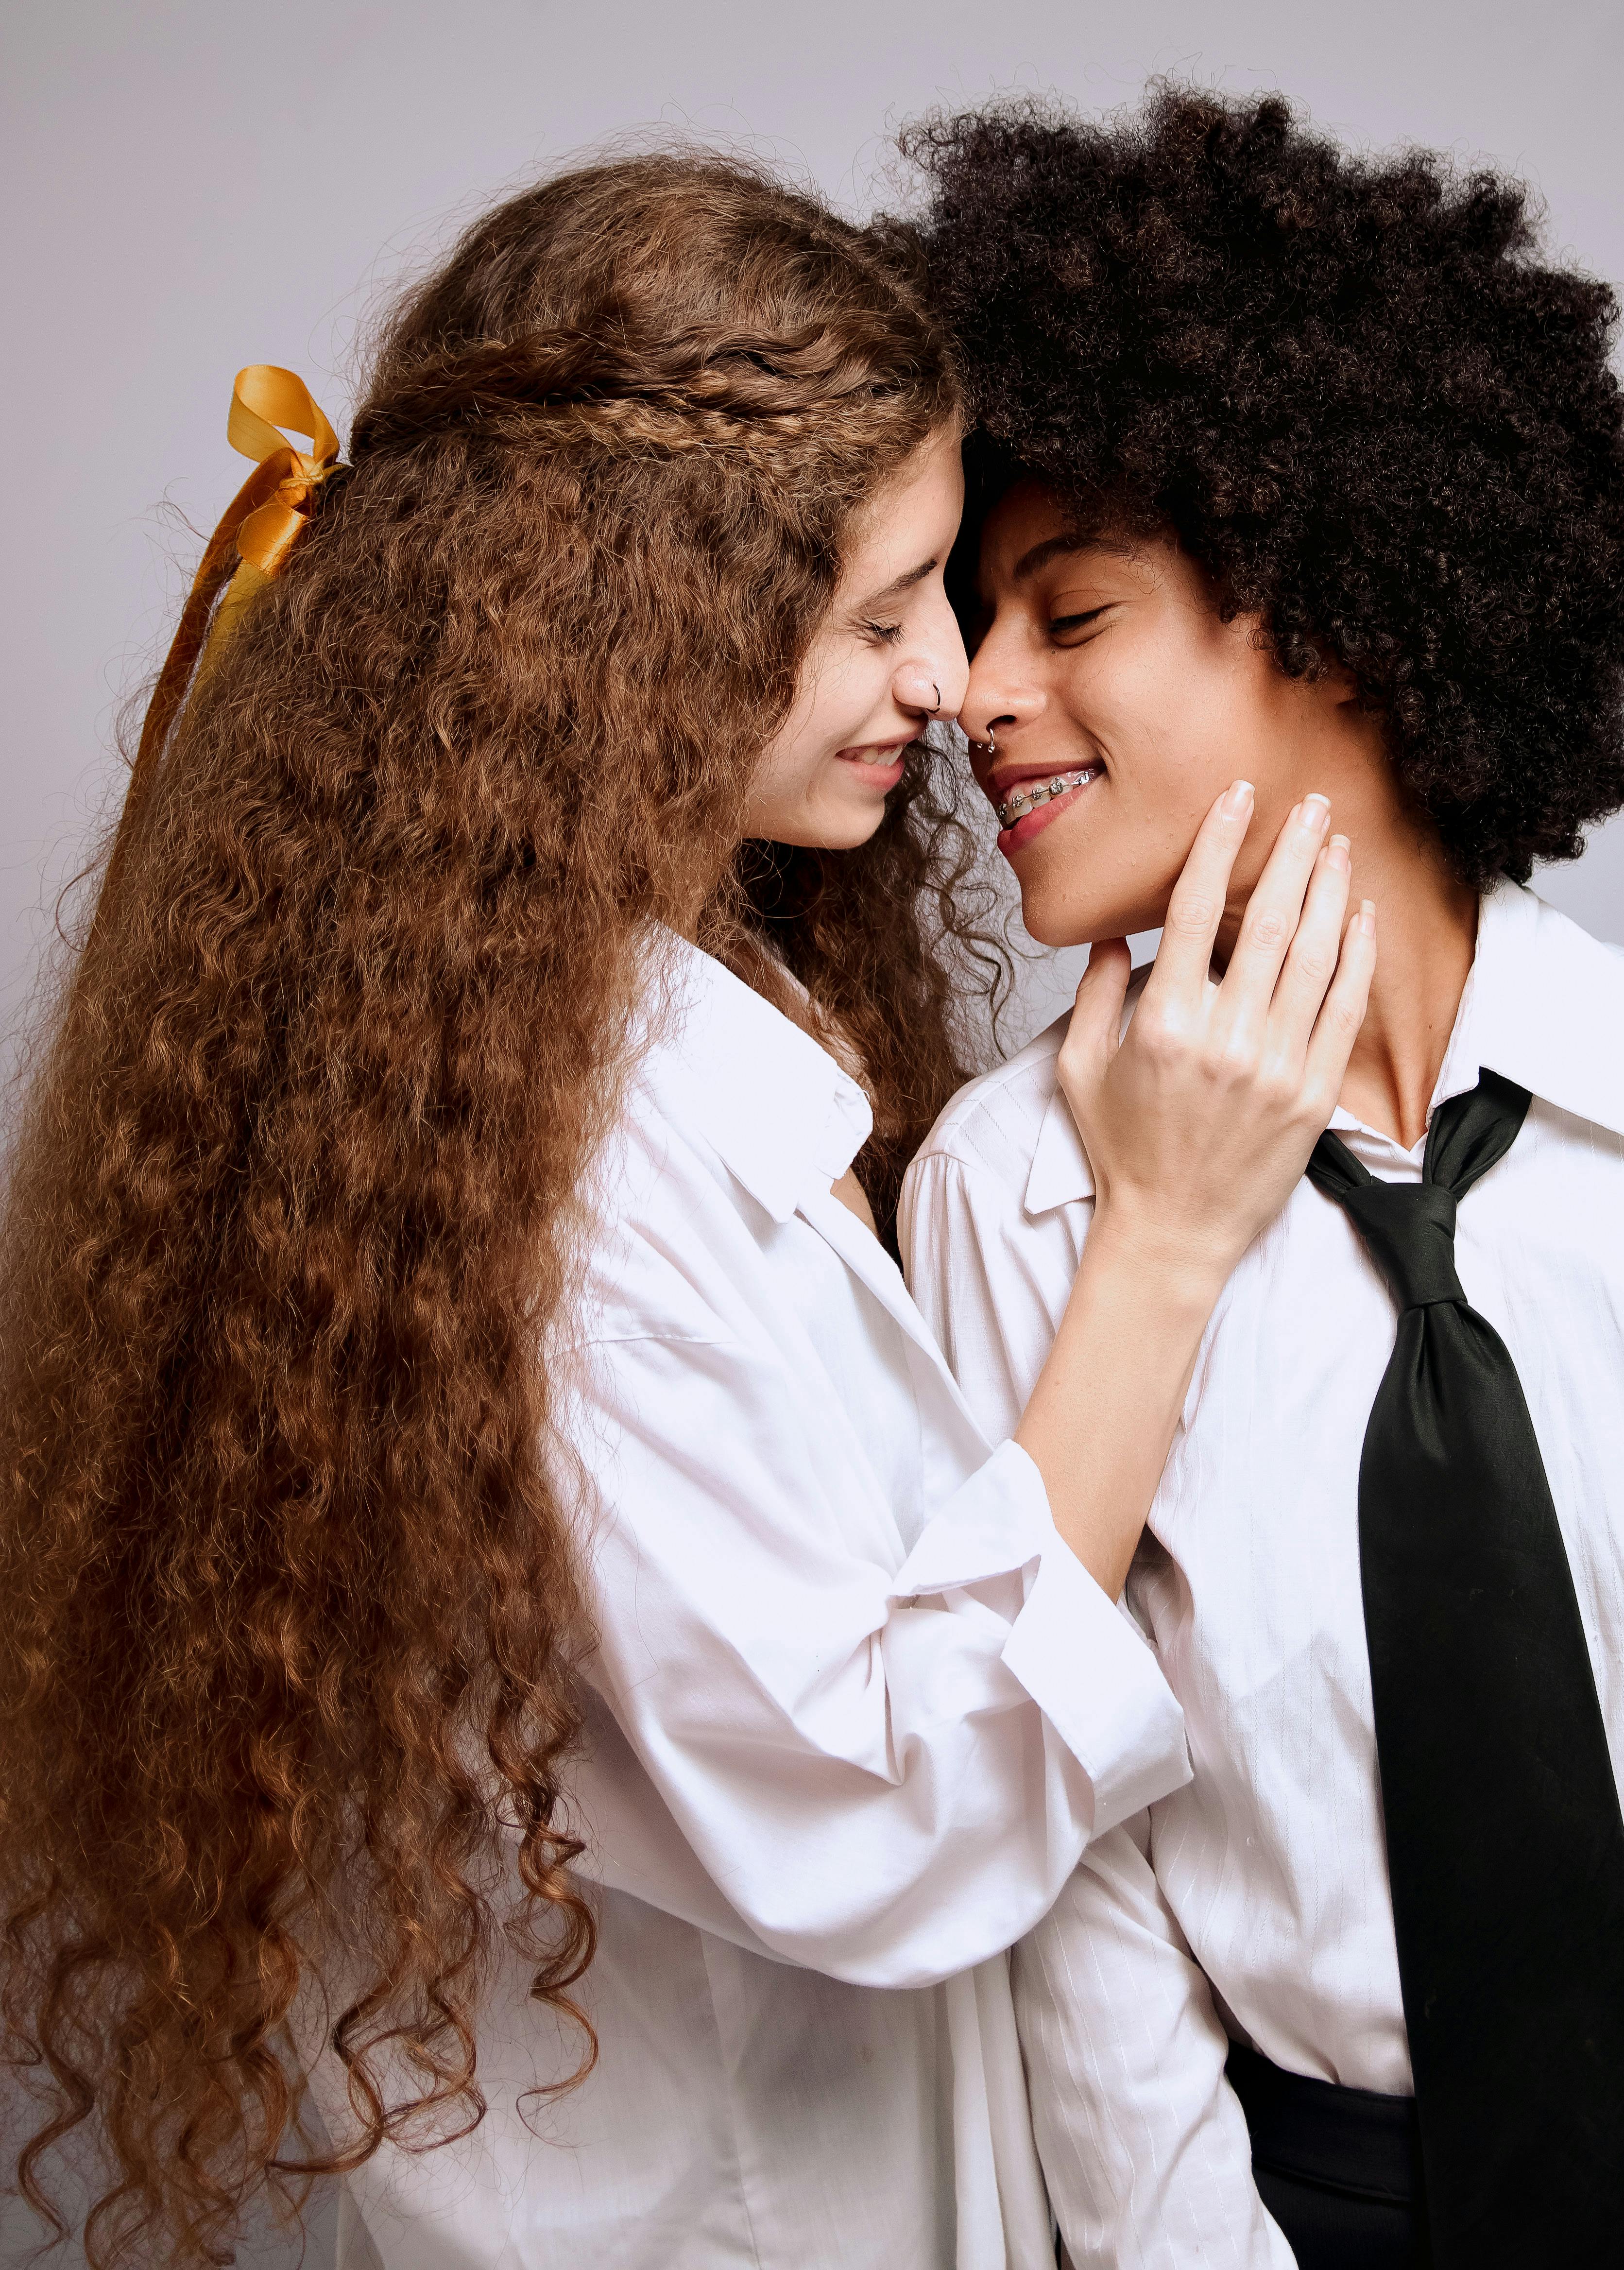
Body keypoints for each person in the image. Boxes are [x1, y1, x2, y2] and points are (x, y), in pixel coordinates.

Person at [0, 152, 1376, 2270]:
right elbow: (905, 1809)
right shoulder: (578, 1180)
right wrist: (1168, 1245)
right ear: (635, 622)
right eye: (879, 607)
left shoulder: (503, 1057)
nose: (945, 686)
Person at [899, 88, 1624, 2270]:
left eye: (1064, 612)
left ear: (1346, 612)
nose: (971, 697)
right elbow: (1065, 1902)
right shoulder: (1007, 1199)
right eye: (970, 625)